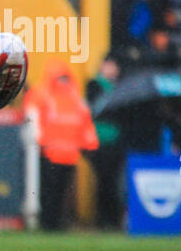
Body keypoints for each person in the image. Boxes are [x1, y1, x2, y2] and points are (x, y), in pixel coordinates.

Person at [24, 61, 98, 231]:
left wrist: (90, 146)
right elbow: (33, 120)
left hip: (69, 155)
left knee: (61, 193)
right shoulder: (44, 96)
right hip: (48, 153)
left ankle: (55, 222)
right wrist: (38, 143)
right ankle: (48, 222)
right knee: (49, 192)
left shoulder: (74, 99)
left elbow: (85, 125)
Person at [85, 57, 125, 229]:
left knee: (113, 182)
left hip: (114, 142)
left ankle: (112, 219)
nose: (113, 69)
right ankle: (103, 219)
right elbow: (95, 109)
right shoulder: (94, 85)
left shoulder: (120, 87)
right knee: (104, 181)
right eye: (111, 65)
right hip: (99, 141)